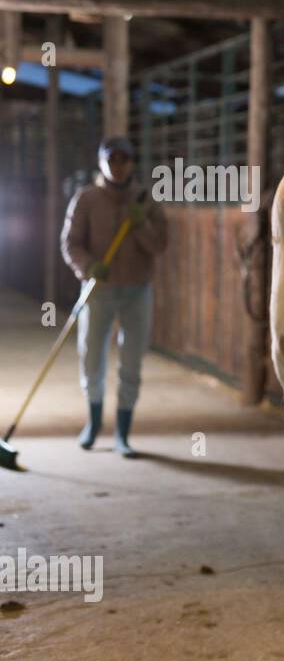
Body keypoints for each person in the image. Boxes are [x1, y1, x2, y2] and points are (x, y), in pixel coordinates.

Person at [60, 136, 169, 458]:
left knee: (131, 361)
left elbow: (160, 245)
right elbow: (71, 242)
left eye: (124, 160)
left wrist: (140, 226)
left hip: (137, 289)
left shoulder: (147, 201)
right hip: (99, 289)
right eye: (112, 160)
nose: (118, 167)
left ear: (132, 163)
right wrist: (89, 266)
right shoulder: (87, 199)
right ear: (102, 163)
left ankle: (123, 434)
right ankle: (93, 423)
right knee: (92, 357)